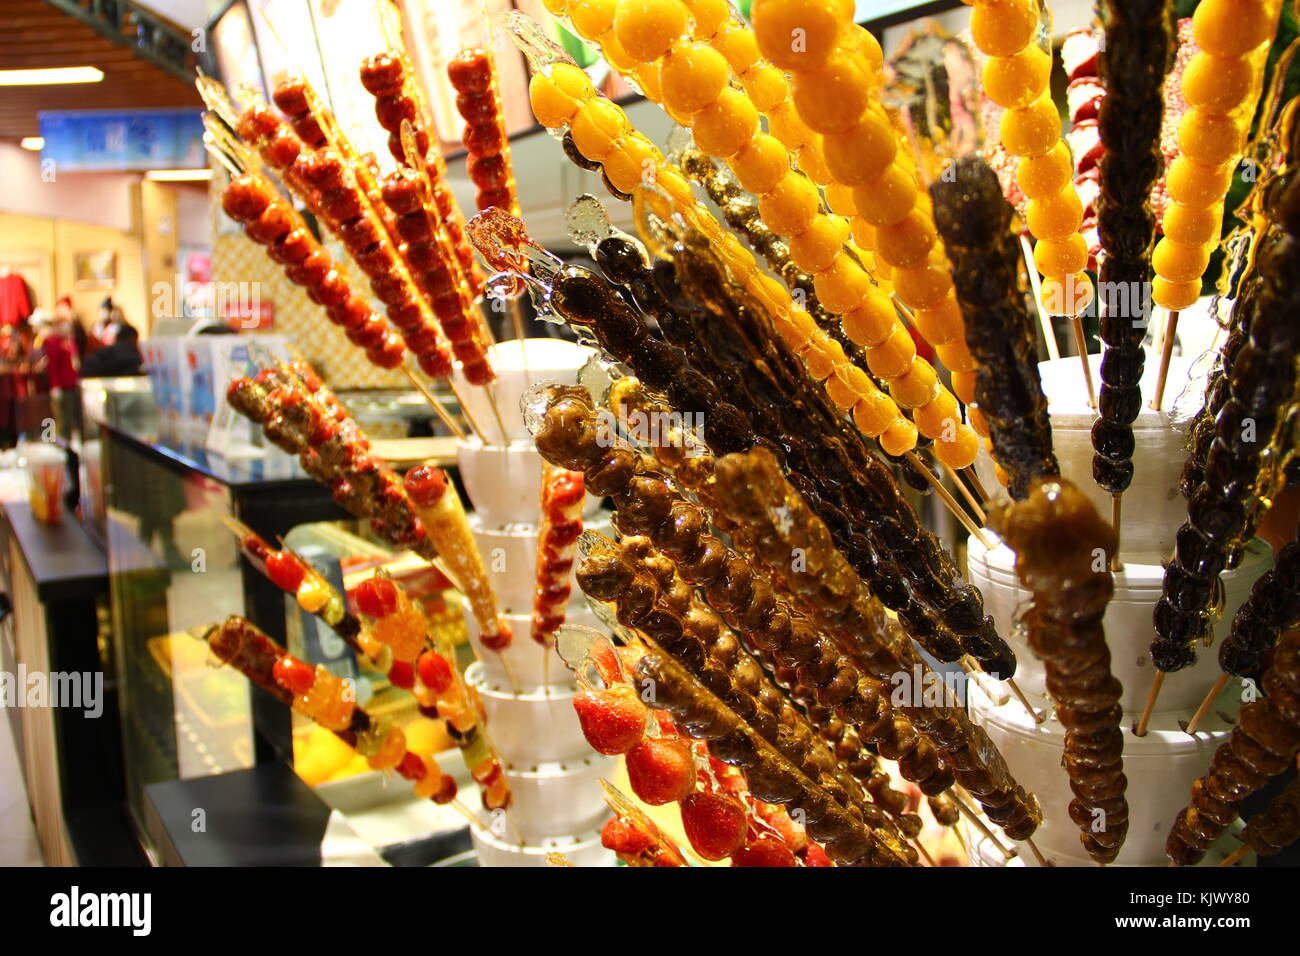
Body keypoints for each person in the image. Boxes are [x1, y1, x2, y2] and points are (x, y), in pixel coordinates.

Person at [37, 308, 81, 440]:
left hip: (72, 384)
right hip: (61, 386)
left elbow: (74, 361)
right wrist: (55, 386)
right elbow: (52, 365)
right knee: (62, 420)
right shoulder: (51, 341)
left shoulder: (68, 340)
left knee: (73, 418)